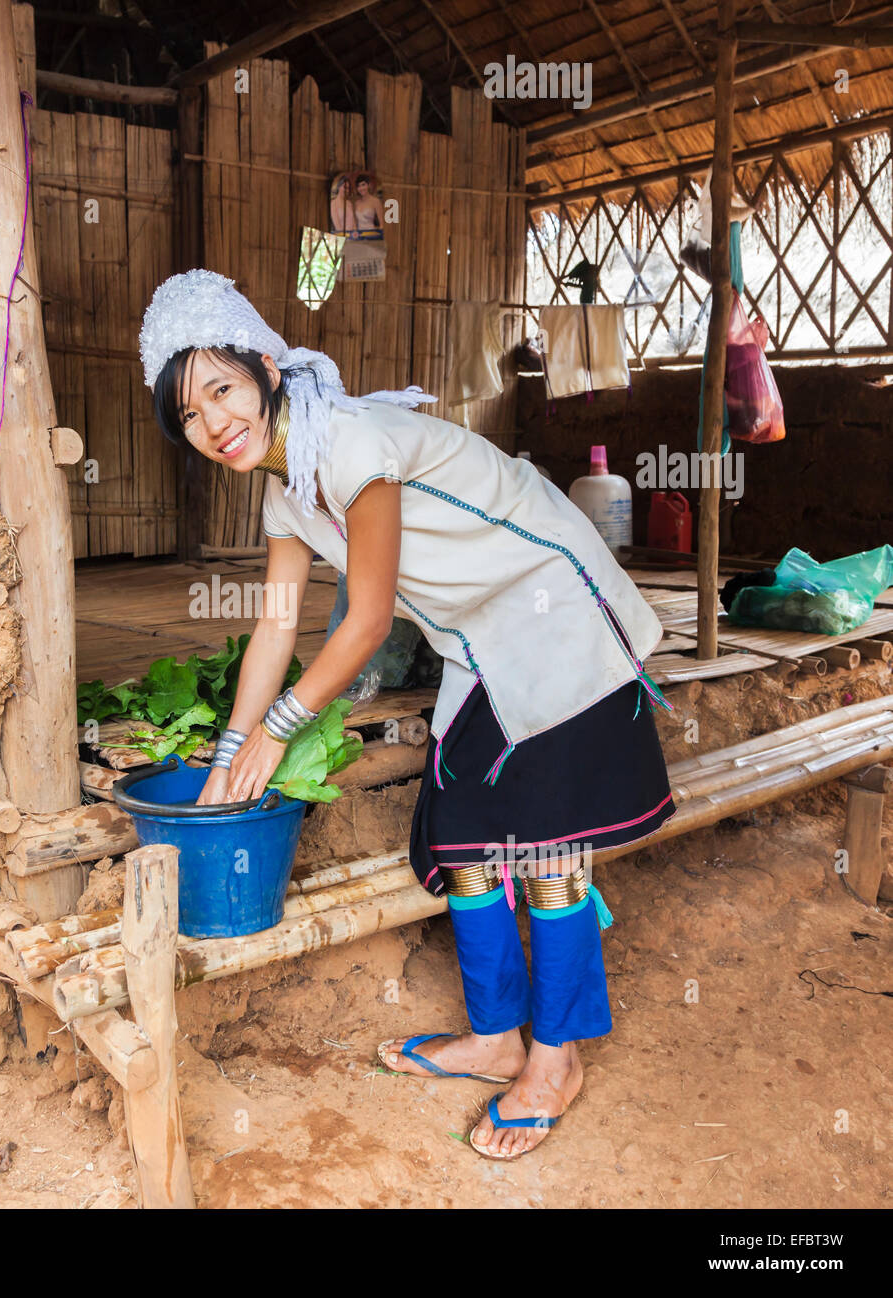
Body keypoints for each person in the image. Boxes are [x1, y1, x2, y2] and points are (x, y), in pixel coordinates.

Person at [139, 269, 677, 1160]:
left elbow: (368, 620)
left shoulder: (351, 443)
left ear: (266, 367)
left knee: (548, 848)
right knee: (463, 836)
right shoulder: (285, 490)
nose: (212, 423)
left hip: (553, 604)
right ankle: (496, 1038)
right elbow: (276, 625)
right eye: (189, 415)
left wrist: (278, 730)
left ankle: (557, 1059)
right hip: (480, 636)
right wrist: (231, 751)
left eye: (222, 390)